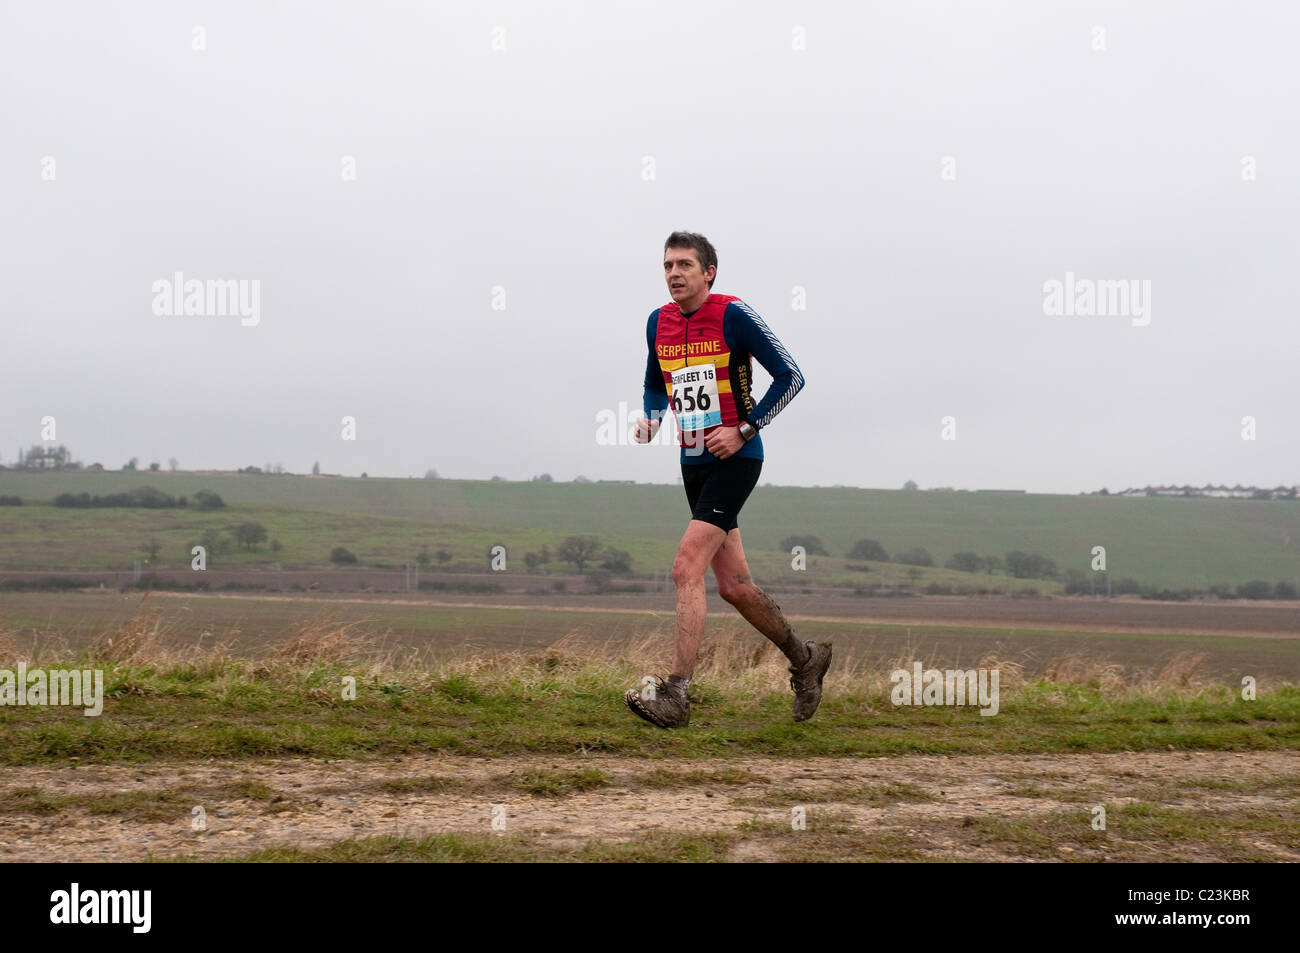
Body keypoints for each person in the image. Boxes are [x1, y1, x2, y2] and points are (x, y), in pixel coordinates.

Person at [625, 230, 830, 728]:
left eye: (685, 265)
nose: (675, 273)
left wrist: (743, 429)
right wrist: (652, 417)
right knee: (735, 586)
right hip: (692, 462)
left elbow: (791, 377)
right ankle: (806, 659)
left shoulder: (734, 314)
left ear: (708, 272)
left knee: (684, 566)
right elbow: (657, 382)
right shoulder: (658, 322)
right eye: (668, 265)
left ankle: (676, 696)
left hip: (737, 459)